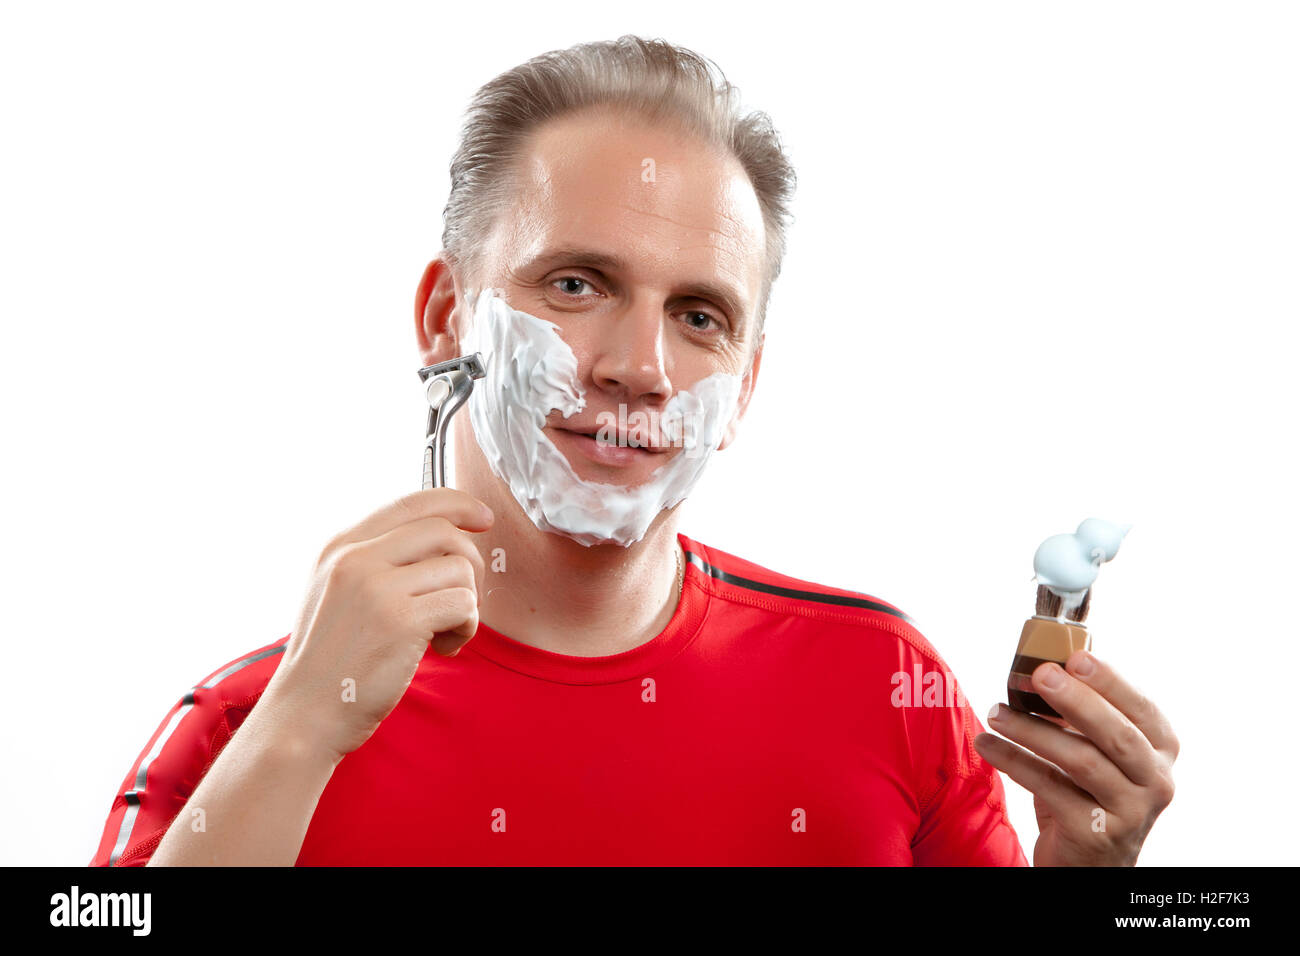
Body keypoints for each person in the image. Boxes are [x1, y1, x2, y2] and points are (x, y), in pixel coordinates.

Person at [90, 35, 1176, 867]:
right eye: (575, 284)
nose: (640, 364)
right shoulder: (245, 721)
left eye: (701, 314)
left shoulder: (883, 684)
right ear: (444, 317)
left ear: (745, 381)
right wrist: (294, 740)